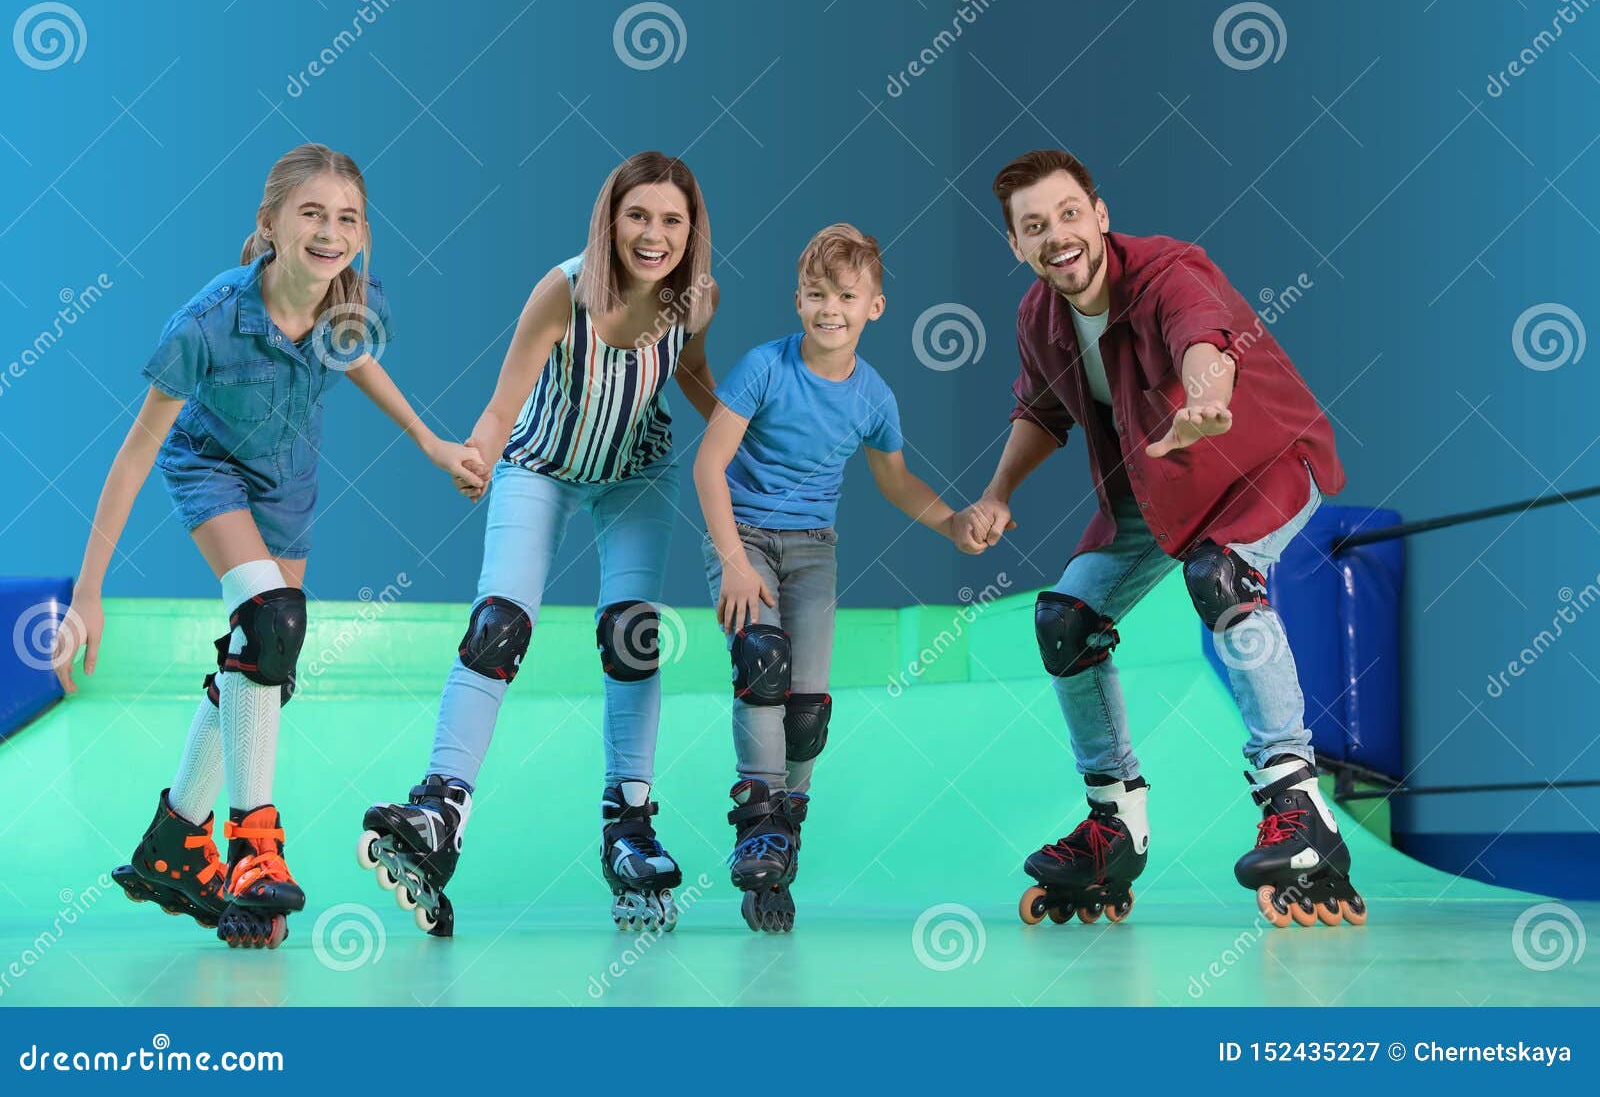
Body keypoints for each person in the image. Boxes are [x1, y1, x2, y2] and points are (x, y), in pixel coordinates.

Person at [53, 143, 484, 949]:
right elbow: (135, 454)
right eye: (311, 213)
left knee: (264, 664)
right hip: (211, 469)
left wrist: (429, 440)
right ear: (270, 224)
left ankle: (176, 842)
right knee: (271, 621)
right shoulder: (207, 322)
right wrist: (88, 591)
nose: (330, 232)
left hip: (287, 484)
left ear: (363, 234)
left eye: (347, 218)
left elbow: (354, 357)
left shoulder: (354, 302)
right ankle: (254, 846)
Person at [956, 149, 1364, 929]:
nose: (1058, 236)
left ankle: (1297, 799)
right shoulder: (1038, 317)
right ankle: (1114, 821)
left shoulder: (1169, 272)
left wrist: (1206, 400)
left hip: (1261, 462)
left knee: (1221, 577)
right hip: (1156, 487)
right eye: (1035, 226)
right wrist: (997, 493)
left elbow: (1203, 343)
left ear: (1100, 215)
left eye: (1069, 214)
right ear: (1016, 244)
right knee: (1065, 620)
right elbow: (1042, 411)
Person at [358, 151, 719, 937]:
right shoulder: (564, 291)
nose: (653, 234)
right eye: (638, 215)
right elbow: (502, 405)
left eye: (671, 220)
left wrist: (736, 431)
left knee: (633, 635)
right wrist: (479, 455)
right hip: (541, 465)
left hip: (636, 472)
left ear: (692, 231)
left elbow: (691, 370)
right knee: (499, 625)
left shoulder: (695, 298)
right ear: (609, 219)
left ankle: (629, 822)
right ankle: (442, 807)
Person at [694, 222, 982, 933]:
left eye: (847, 296)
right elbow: (709, 464)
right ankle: (758, 820)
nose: (831, 309)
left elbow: (897, 481)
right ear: (798, 300)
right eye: (817, 294)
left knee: (807, 711)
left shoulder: (873, 397)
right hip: (744, 538)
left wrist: (952, 522)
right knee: (762, 664)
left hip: (813, 551)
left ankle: (786, 831)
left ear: (874, 307)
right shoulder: (764, 367)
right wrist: (733, 561)